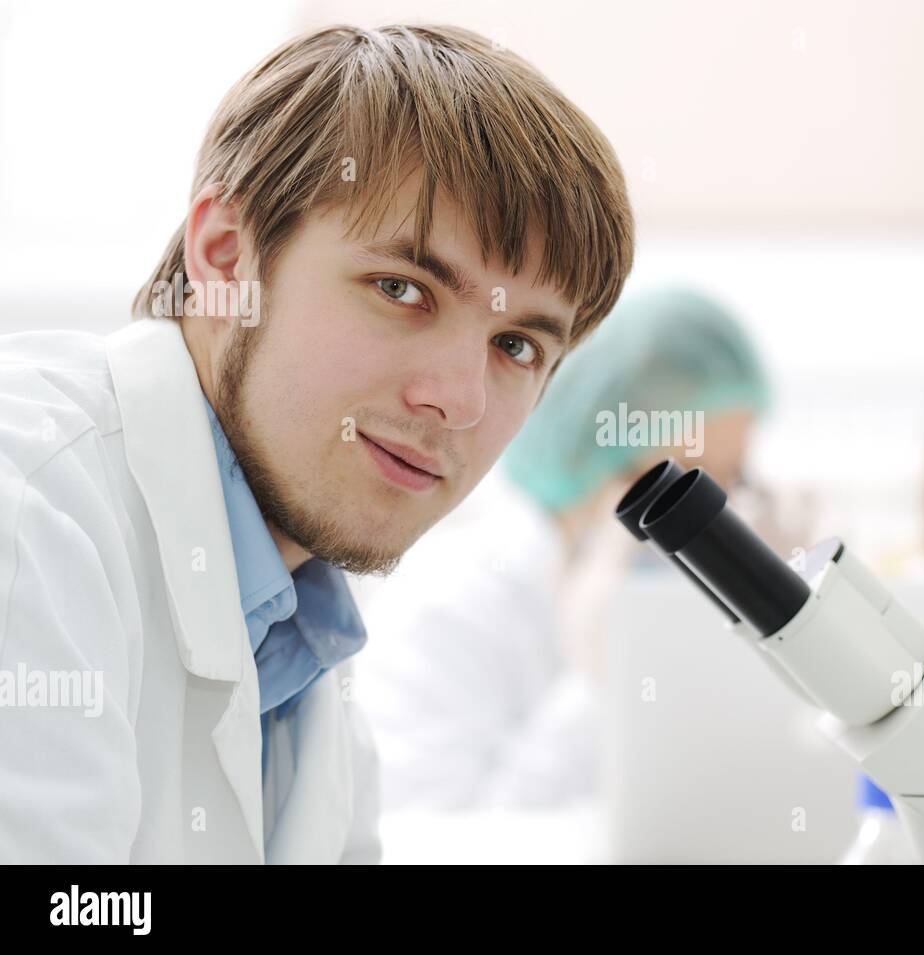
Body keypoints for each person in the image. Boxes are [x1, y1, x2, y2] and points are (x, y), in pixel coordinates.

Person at [0, 23, 634, 863]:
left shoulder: (306, 653)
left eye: (517, 345)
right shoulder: (32, 515)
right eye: (402, 289)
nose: (459, 399)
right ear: (226, 257)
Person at [358, 286, 771, 811]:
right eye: (677, 488)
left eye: (728, 483)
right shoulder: (448, 603)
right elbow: (450, 838)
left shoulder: (669, 602)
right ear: (599, 461)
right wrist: (597, 675)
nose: (706, 521)